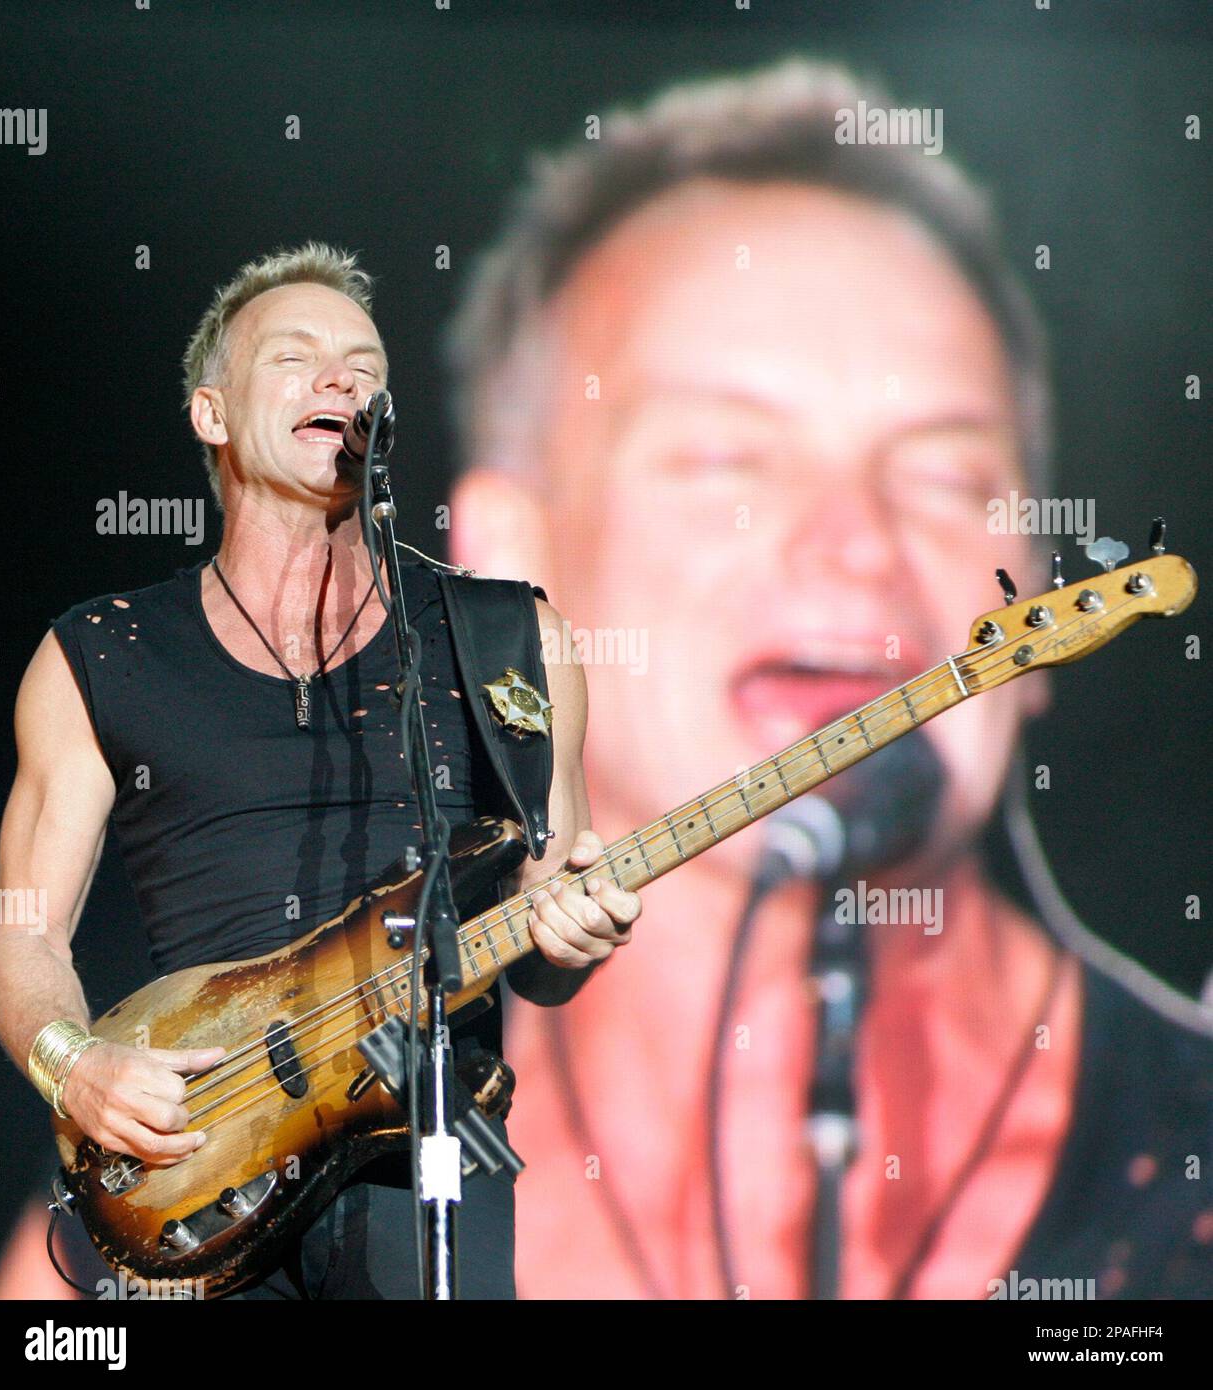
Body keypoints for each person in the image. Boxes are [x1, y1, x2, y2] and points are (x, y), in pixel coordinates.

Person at [445, 59, 1213, 1298]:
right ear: (502, 571)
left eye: (943, 475)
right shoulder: (297, 1172)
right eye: (722, 458)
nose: (855, 542)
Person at [0, 242, 640, 1300]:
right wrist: (73, 1064)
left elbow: (543, 935)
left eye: (362, 362)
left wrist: (576, 933)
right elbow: (23, 927)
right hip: (198, 1172)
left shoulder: (507, 636)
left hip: (423, 1157)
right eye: (295, 357)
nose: (341, 378)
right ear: (211, 414)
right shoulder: (100, 653)